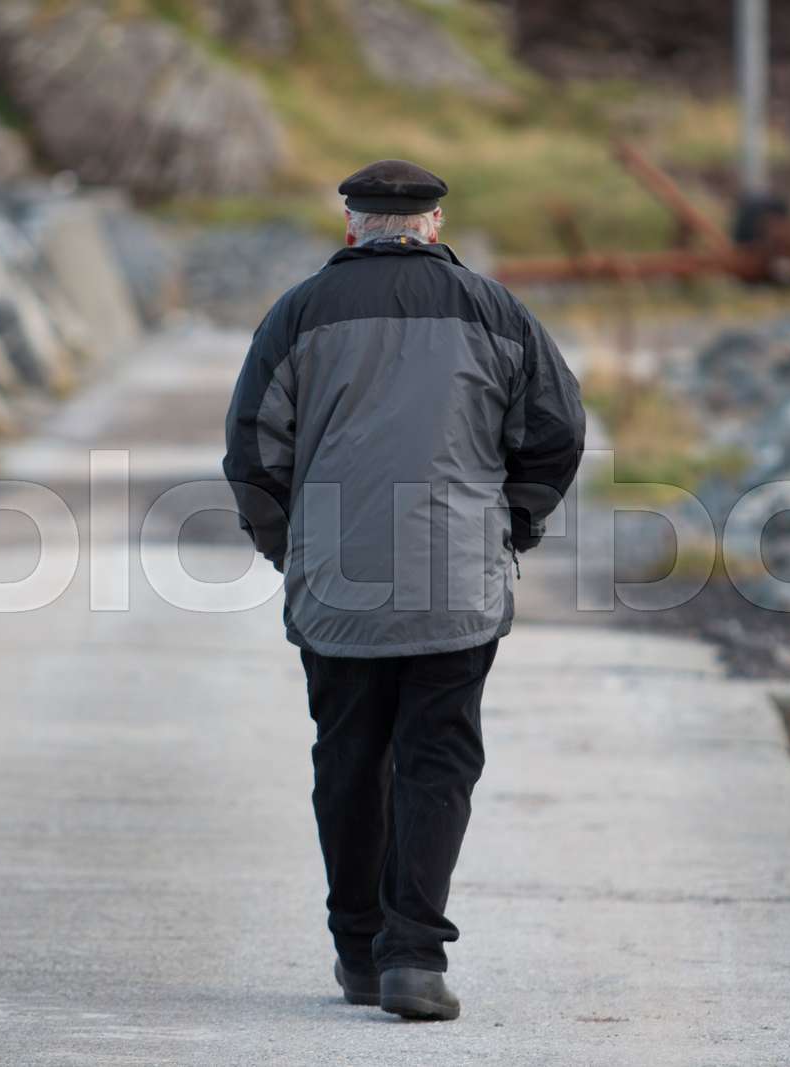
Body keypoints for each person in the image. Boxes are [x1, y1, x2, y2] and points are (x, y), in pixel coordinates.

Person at [222, 159, 584, 1021]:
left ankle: (357, 950)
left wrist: (291, 551)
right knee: (437, 758)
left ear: (351, 224)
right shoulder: (498, 312)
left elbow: (253, 453)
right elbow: (556, 431)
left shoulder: (299, 313)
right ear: (433, 223)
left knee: (349, 758)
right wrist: (513, 526)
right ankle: (413, 956)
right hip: (456, 583)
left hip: (336, 583)